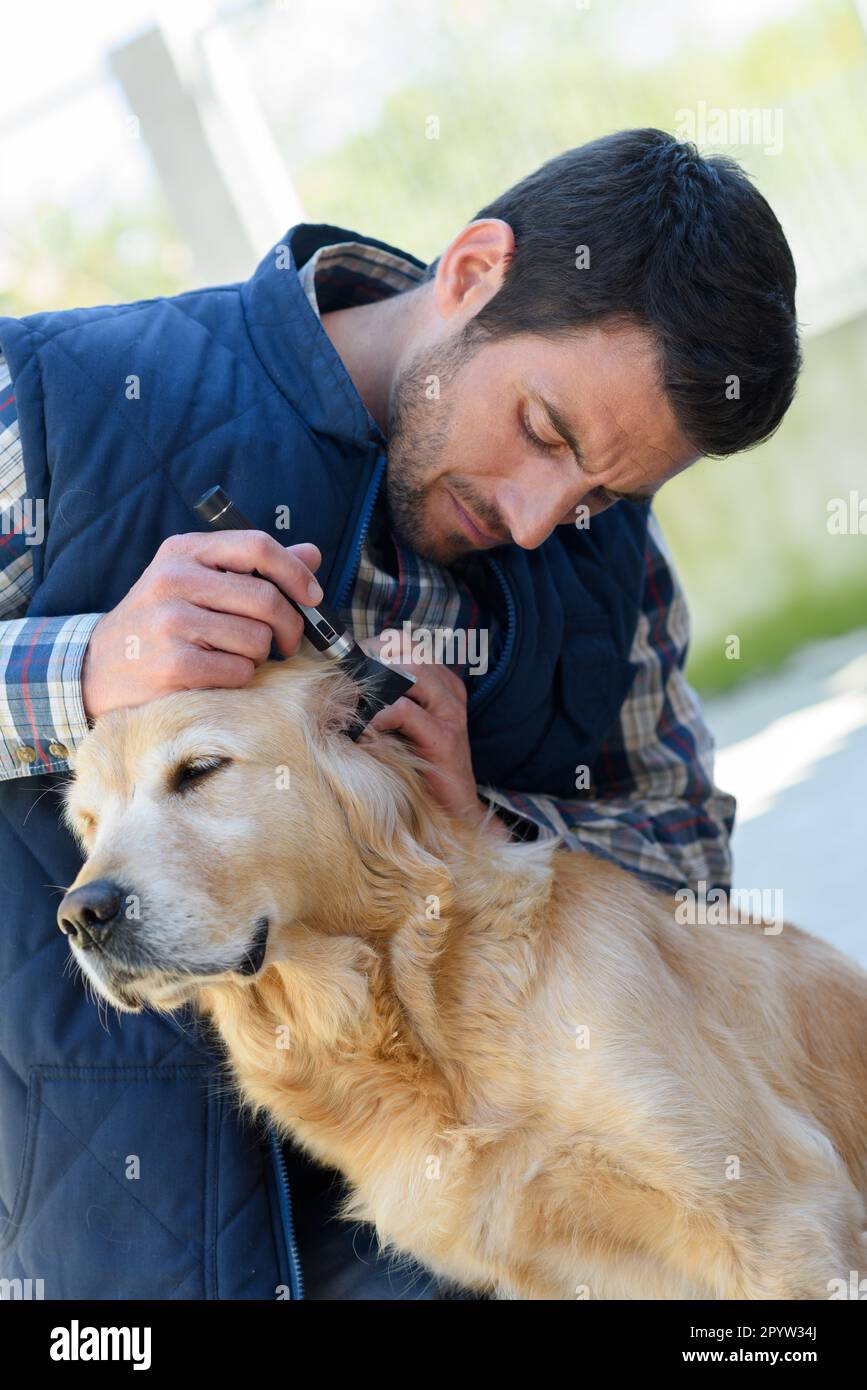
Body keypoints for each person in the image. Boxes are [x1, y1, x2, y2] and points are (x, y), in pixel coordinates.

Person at [0, 128, 800, 1299]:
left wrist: (489, 826)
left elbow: (690, 870)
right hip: (117, 1259)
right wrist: (80, 666)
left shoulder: (609, 555)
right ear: (472, 270)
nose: (538, 518)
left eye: (601, 492)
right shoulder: (54, 403)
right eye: (545, 430)